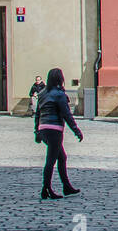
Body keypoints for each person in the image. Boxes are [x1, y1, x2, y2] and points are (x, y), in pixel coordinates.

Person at [34, 68, 83, 200]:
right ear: (60, 79)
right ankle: (46, 188)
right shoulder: (59, 94)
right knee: (51, 159)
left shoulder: (43, 93)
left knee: (61, 157)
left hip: (44, 128)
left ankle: (66, 186)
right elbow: (66, 114)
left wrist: (37, 131)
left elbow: (38, 113)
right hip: (54, 129)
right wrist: (76, 130)